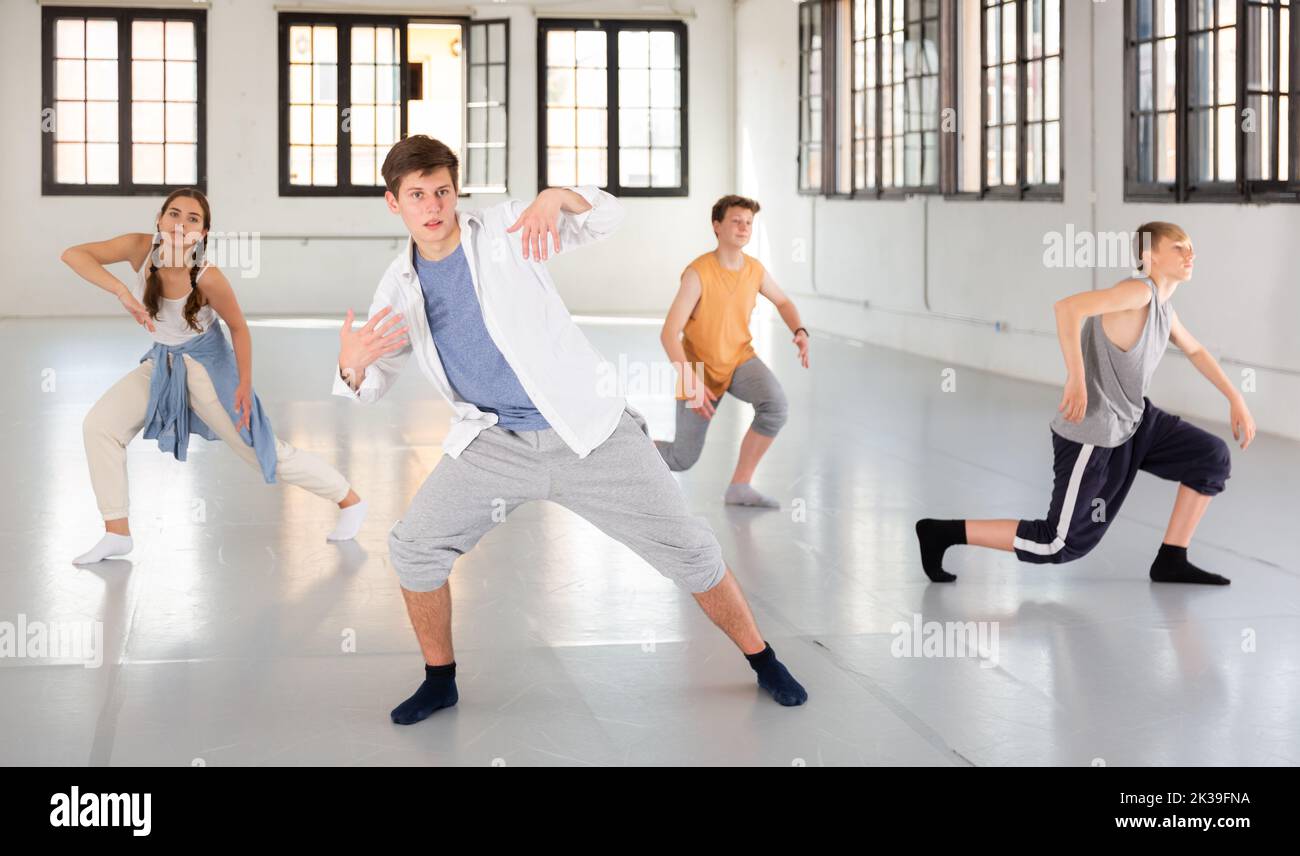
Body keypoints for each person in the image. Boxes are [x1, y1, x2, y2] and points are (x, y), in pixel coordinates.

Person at [333, 136, 808, 724]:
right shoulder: (398, 284)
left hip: (589, 432)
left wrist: (557, 197)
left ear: (457, 192)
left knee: (689, 548)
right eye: (416, 196)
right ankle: (440, 680)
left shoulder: (508, 228)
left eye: (442, 191)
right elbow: (373, 378)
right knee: (413, 547)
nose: (432, 206)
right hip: (492, 443)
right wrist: (352, 365)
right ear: (393, 203)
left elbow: (608, 216)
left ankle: (763, 659)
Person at [916, 222, 1256, 585]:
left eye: (1190, 247)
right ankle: (942, 533)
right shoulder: (1136, 292)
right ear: (1148, 255)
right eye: (1178, 248)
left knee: (1211, 458)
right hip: (1093, 430)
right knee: (1057, 543)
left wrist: (1236, 399)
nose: (1190, 255)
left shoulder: (1163, 308)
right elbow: (1067, 308)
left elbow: (1197, 350)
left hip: (1134, 422)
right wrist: (1077, 377)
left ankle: (1172, 558)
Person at [63, 188, 367, 565]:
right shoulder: (139, 248)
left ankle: (350, 500)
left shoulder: (208, 278)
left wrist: (243, 384)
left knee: (262, 452)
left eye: (193, 219)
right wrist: (122, 291)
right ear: (159, 219)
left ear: (203, 233)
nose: (181, 224)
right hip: (163, 365)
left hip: (209, 371)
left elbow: (239, 328)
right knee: (100, 426)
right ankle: (116, 532)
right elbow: (73, 254)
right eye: (174, 214)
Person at [654, 195, 810, 508]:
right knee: (681, 458)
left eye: (749, 223)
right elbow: (669, 334)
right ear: (717, 226)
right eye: (736, 221)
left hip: (739, 359)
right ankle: (628, 445)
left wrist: (799, 330)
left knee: (775, 406)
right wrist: (692, 382)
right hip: (697, 369)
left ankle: (740, 487)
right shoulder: (697, 274)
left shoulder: (754, 270)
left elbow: (783, 302)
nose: (743, 228)